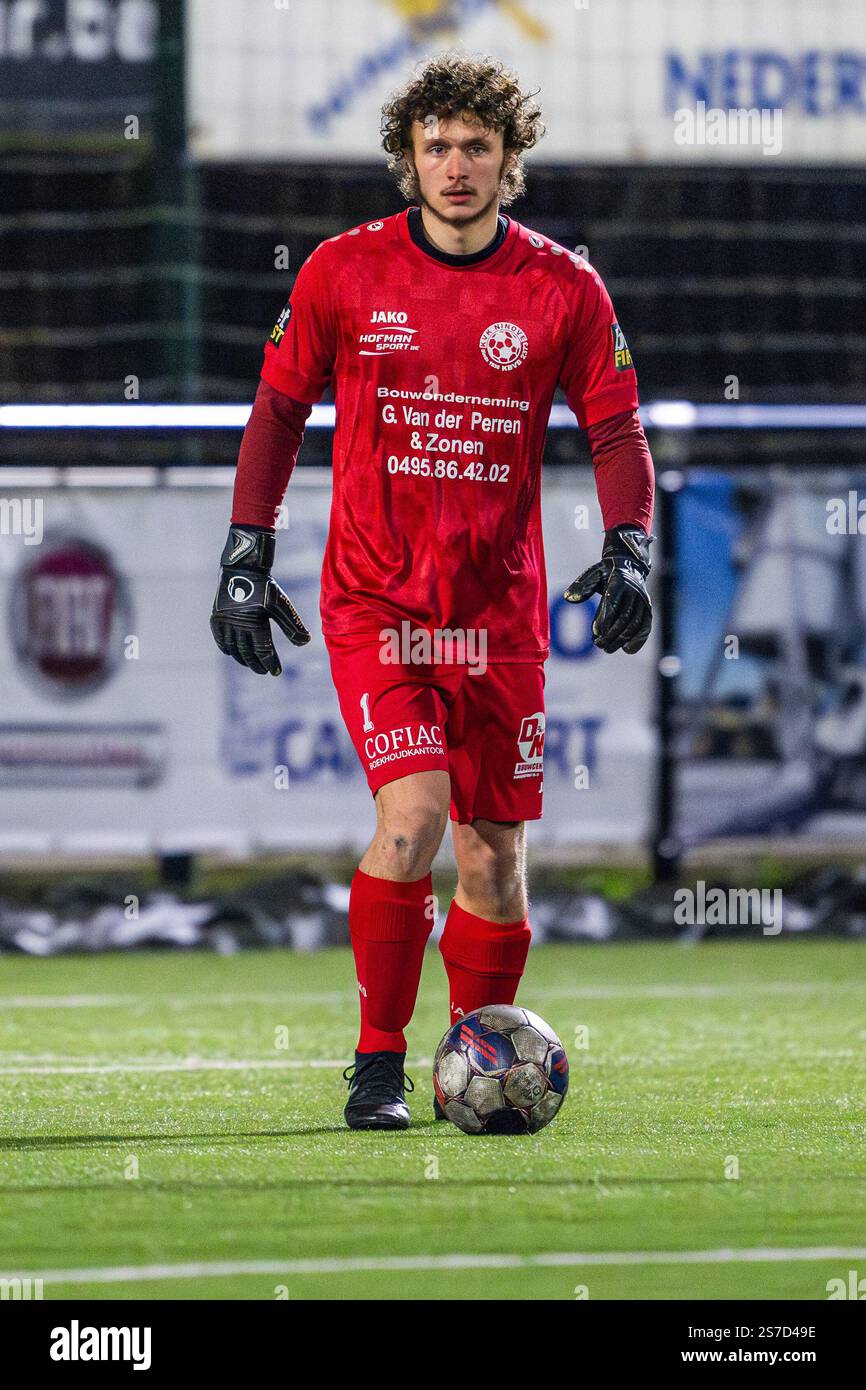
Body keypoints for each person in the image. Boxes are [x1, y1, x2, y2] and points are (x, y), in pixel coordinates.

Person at [210, 54, 655, 1130]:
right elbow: (276, 412)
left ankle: (482, 1061)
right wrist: (244, 550)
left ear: (510, 160)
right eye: (436, 146)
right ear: (407, 161)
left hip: (496, 617)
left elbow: (613, 427)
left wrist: (631, 542)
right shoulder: (340, 274)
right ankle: (374, 1063)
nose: (455, 166)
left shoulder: (563, 288)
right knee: (410, 820)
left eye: (476, 146)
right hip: (379, 605)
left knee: (494, 859)